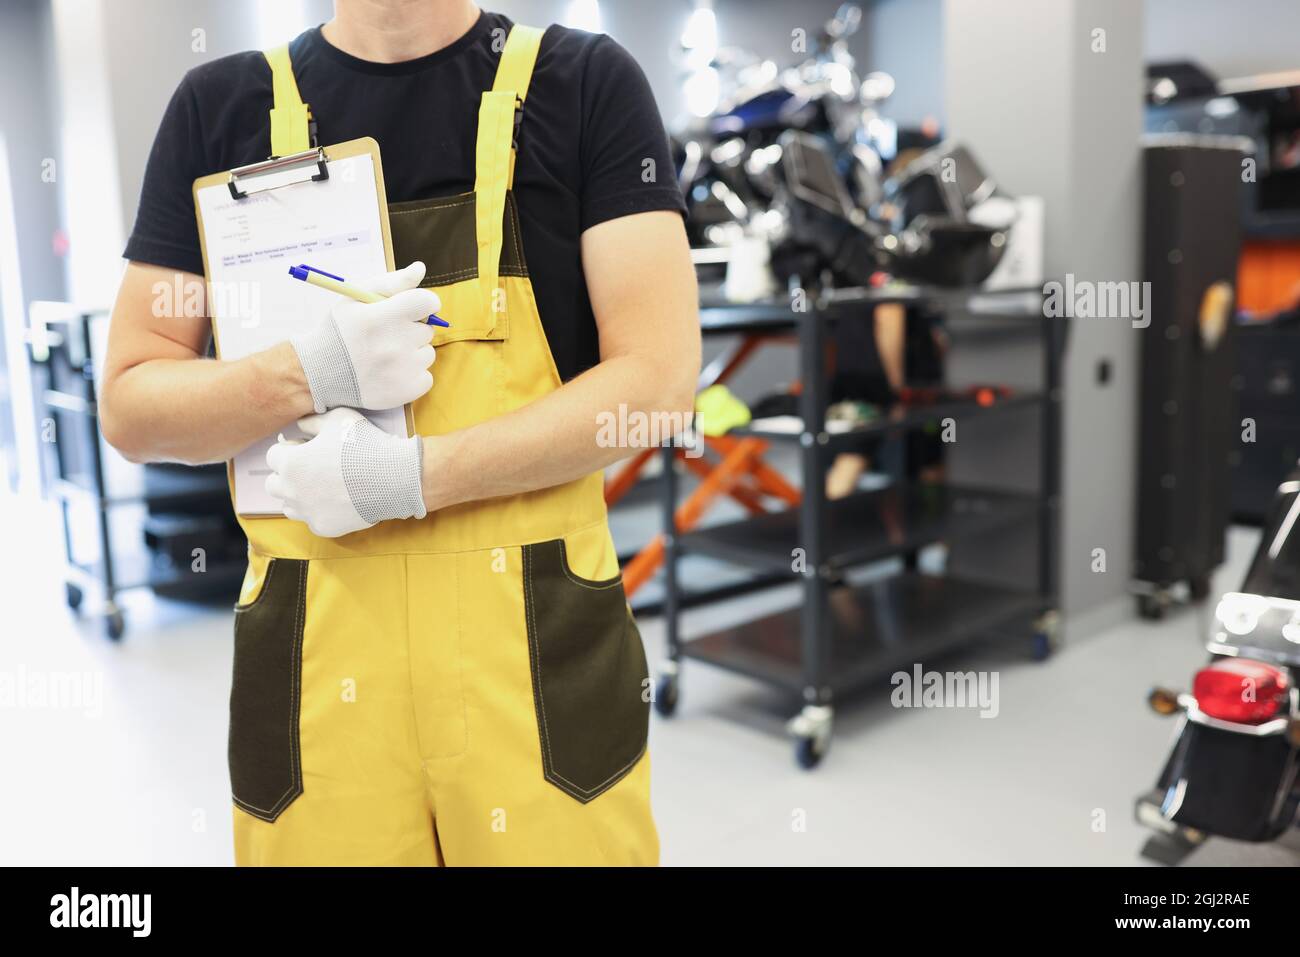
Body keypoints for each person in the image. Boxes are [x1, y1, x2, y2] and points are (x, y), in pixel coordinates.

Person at [100, 0, 700, 866]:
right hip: (318, 676)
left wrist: (414, 476)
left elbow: (658, 382)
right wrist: (305, 373)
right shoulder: (217, 109)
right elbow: (130, 403)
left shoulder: (585, 85)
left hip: (534, 663)